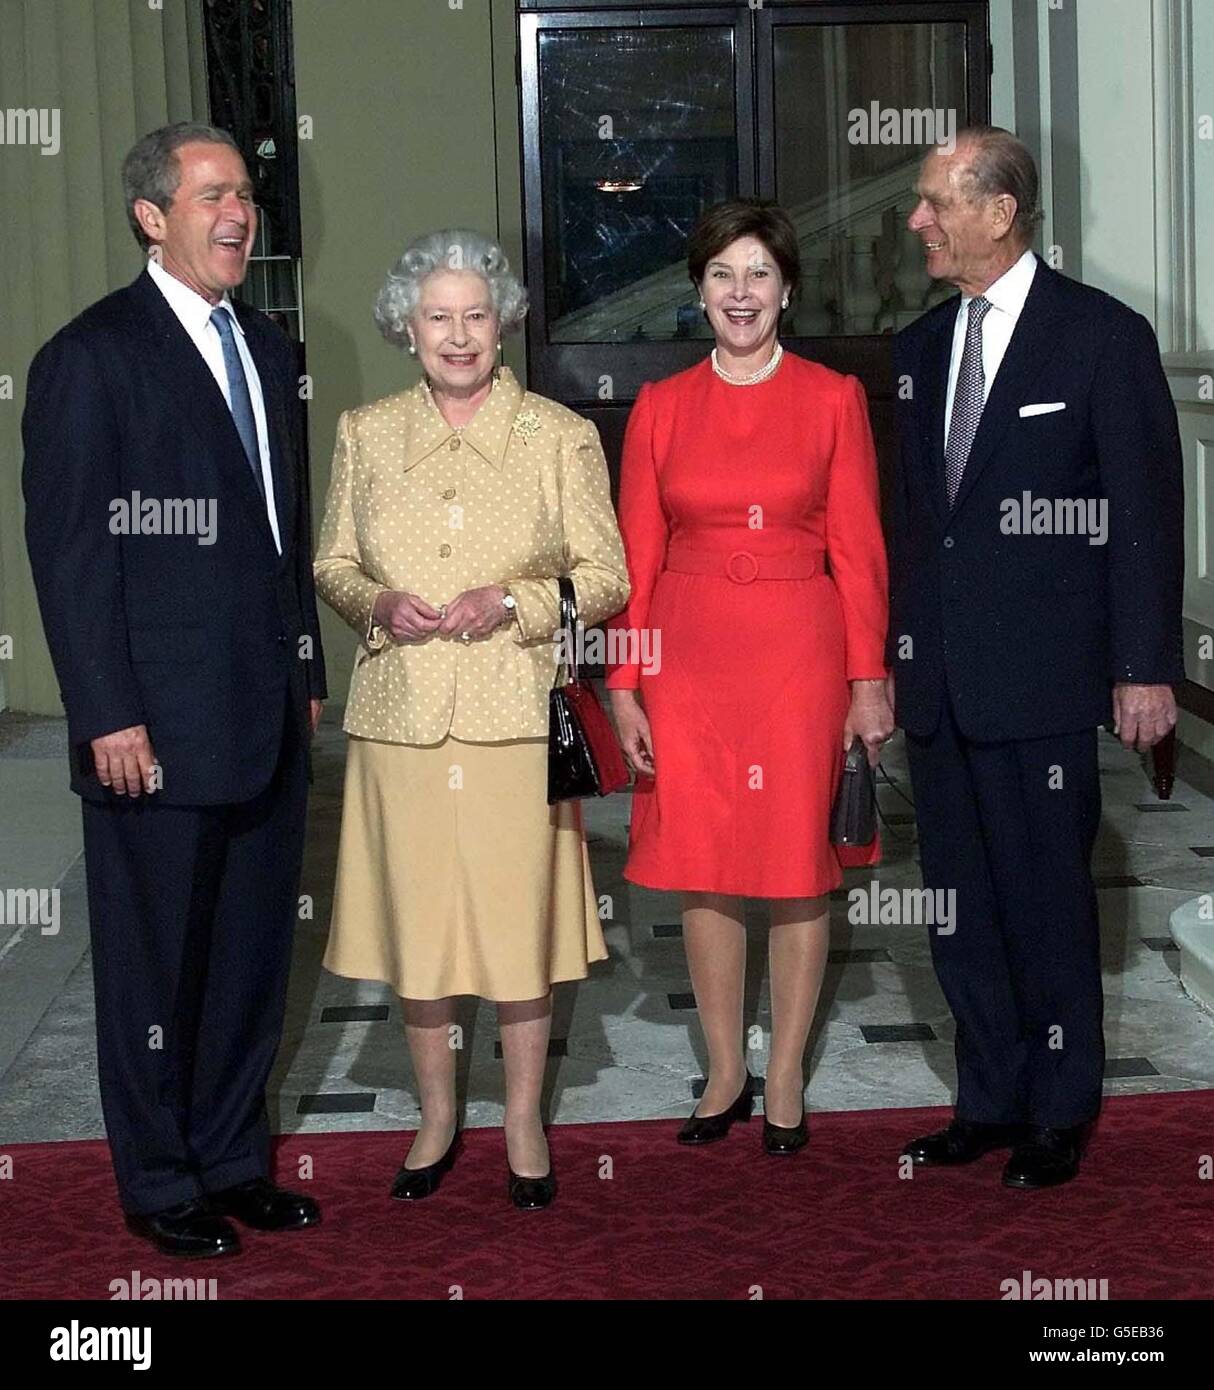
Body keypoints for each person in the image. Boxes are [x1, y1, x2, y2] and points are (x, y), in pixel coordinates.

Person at [22, 122, 328, 1256]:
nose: (239, 212)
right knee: (158, 966)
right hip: (149, 726)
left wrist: (307, 669)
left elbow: (281, 539)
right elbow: (70, 555)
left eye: (245, 192)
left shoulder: (271, 345)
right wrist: (105, 709)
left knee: (251, 955)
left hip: (265, 717)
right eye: (213, 195)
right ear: (154, 215)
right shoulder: (90, 356)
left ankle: (234, 1157)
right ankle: (159, 1181)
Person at [890, 127, 1184, 1188]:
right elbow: (915, 530)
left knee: (1047, 901)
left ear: (997, 210)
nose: (916, 220)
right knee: (958, 908)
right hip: (939, 688)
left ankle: (1059, 1108)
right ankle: (985, 1099)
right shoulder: (918, 351)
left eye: (932, 201)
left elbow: (1144, 514)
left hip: (1046, 681)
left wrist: (1143, 664)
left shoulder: (1100, 337)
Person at [314, 229, 629, 1210]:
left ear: (504, 324)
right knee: (420, 932)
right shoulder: (364, 432)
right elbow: (330, 562)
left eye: (475, 315)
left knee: (512, 932)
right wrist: (375, 603)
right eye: (437, 318)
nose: (457, 335)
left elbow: (607, 576)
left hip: (512, 720)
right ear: (407, 330)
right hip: (399, 722)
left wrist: (518, 603)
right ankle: (437, 1112)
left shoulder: (558, 435)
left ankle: (526, 1117)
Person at [606, 199, 892, 1155]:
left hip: (798, 659)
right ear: (698, 292)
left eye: (758, 275)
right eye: (723, 275)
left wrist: (867, 679)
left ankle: (785, 1075)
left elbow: (859, 551)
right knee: (705, 866)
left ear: (788, 291)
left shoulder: (831, 398)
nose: (741, 293)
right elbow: (634, 561)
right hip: (686, 659)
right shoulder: (660, 406)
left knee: (796, 868)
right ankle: (724, 1067)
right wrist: (624, 684)